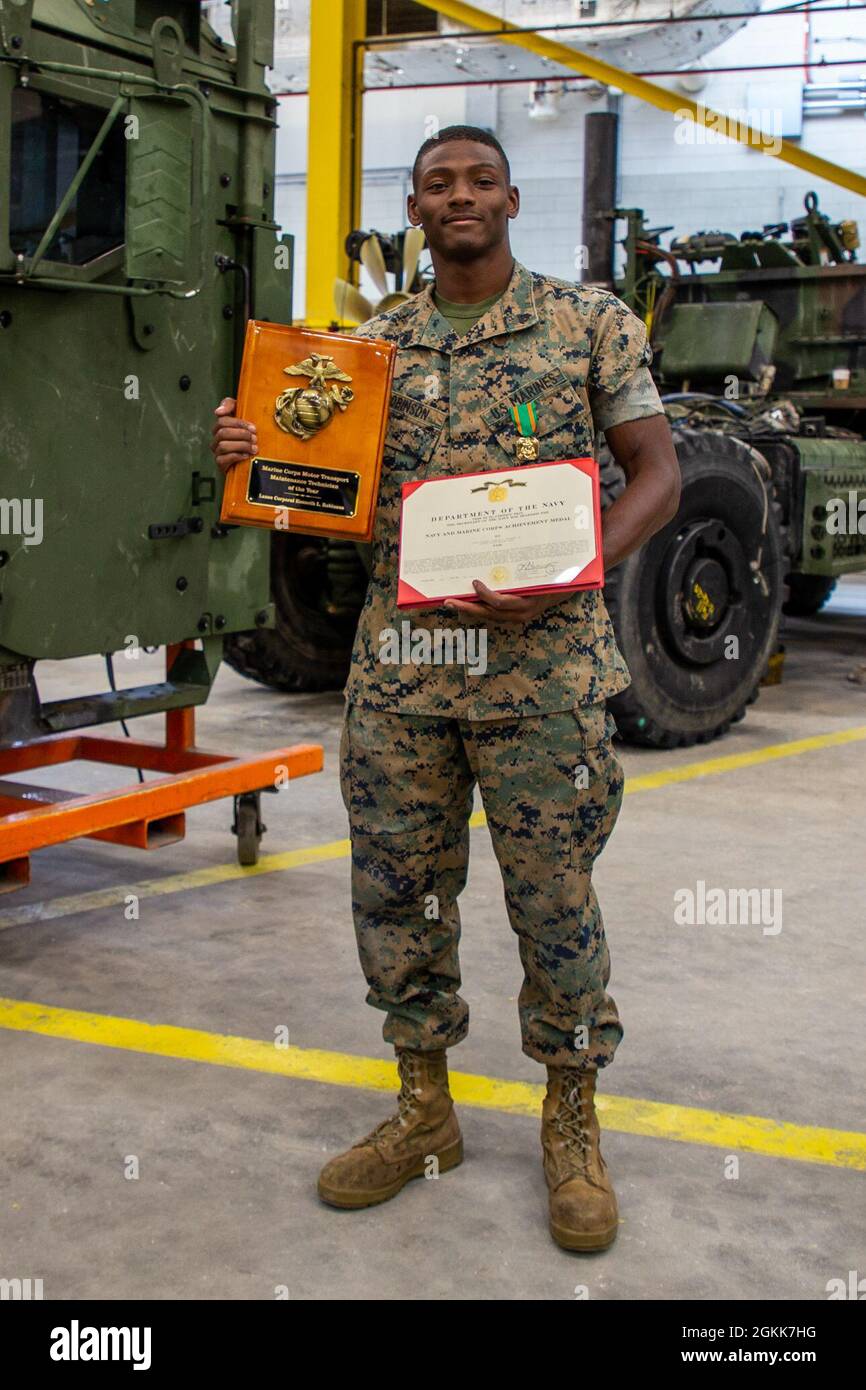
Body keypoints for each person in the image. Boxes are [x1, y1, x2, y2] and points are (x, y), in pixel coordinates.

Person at [212, 125, 680, 1252]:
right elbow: (319, 493)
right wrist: (248, 448)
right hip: (406, 678)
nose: (458, 196)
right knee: (396, 895)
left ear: (510, 199)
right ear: (413, 211)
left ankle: (570, 1117)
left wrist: (580, 565)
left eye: (477, 180)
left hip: (543, 675)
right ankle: (424, 1108)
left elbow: (656, 473)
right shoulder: (364, 353)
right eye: (436, 184)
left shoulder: (585, 324)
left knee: (553, 900)